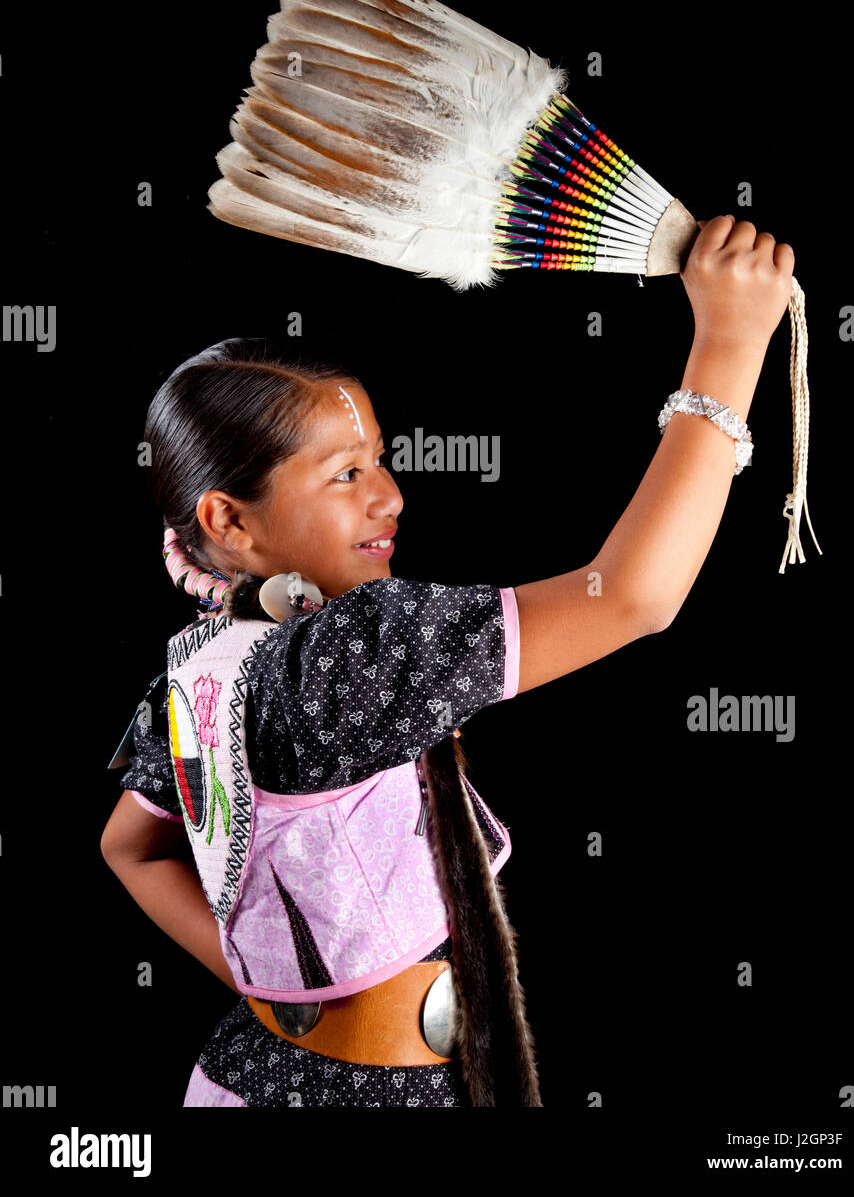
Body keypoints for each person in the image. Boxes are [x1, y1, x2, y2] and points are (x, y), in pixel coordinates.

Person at [101, 215, 794, 1107]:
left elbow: (129, 847)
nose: (391, 493)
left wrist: (271, 976)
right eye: (345, 474)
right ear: (229, 520)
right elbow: (630, 597)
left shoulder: (203, 665)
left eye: (380, 459)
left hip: (255, 1078)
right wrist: (730, 347)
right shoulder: (344, 659)